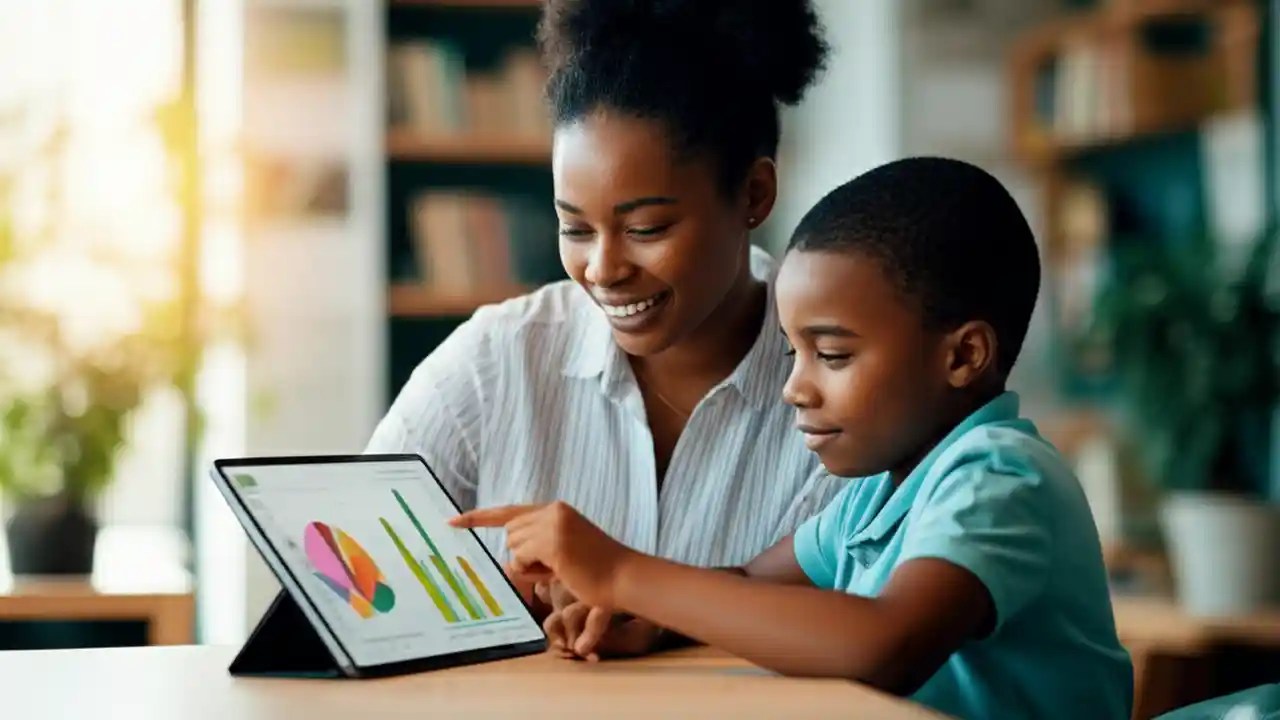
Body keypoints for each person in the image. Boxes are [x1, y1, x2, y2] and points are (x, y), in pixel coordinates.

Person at [451, 158, 1134, 720]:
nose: (795, 389)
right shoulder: (877, 493)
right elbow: (749, 581)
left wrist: (623, 572)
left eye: (832, 357)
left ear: (963, 357)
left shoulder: (1000, 478)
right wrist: (648, 615)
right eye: (792, 355)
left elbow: (881, 646)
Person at [367, 0, 846, 652]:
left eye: (646, 229)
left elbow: (859, 622)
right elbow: (351, 575)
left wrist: (644, 602)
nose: (602, 269)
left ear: (754, 196)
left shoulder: (846, 386)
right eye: (575, 228)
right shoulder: (497, 358)